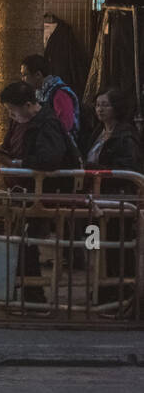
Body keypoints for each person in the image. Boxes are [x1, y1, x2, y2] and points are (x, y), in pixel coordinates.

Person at [0, 80, 82, 303]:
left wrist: (16, 162)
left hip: (45, 192)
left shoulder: (47, 123)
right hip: (24, 191)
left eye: (13, 110)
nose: (11, 115)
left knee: (29, 243)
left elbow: (49, 159)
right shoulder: (20, 122)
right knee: (23, 242)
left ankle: (34, 295)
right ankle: (27, 292)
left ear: (27, 104)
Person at [84, 87, 142, 295]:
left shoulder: (126, 136)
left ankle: (121, 292)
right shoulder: (97, 132)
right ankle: (99, 287)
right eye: (97, 105)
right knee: (95, 243)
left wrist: (97, 170)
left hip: (116, 200)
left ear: (117, 108)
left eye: (105, 105)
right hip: (95, 200)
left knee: (117, 246)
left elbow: (128, 167)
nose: (99, 109)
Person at [20, 53, 80, 140]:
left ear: (38, 75)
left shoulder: (60, 93)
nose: (22, 79)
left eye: (25, 75)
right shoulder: (38, 92)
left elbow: (66, 126)